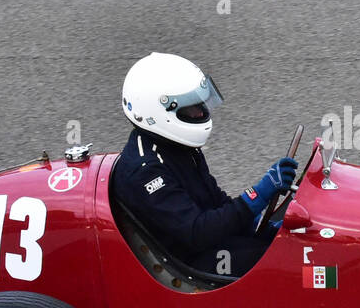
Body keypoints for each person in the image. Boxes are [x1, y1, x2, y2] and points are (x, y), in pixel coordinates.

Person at [113, 53, 297, 279]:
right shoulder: (146, 171)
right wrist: (258, 195)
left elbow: (213, 200)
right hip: (188, 264)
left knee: (290, 244)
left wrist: (254, 223)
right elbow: (197, 233)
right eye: (192, 108)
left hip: (205, 243)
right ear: (158, 112)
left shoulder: (177, 146)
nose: (201, 112)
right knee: (290, 266)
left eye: (200, 104)